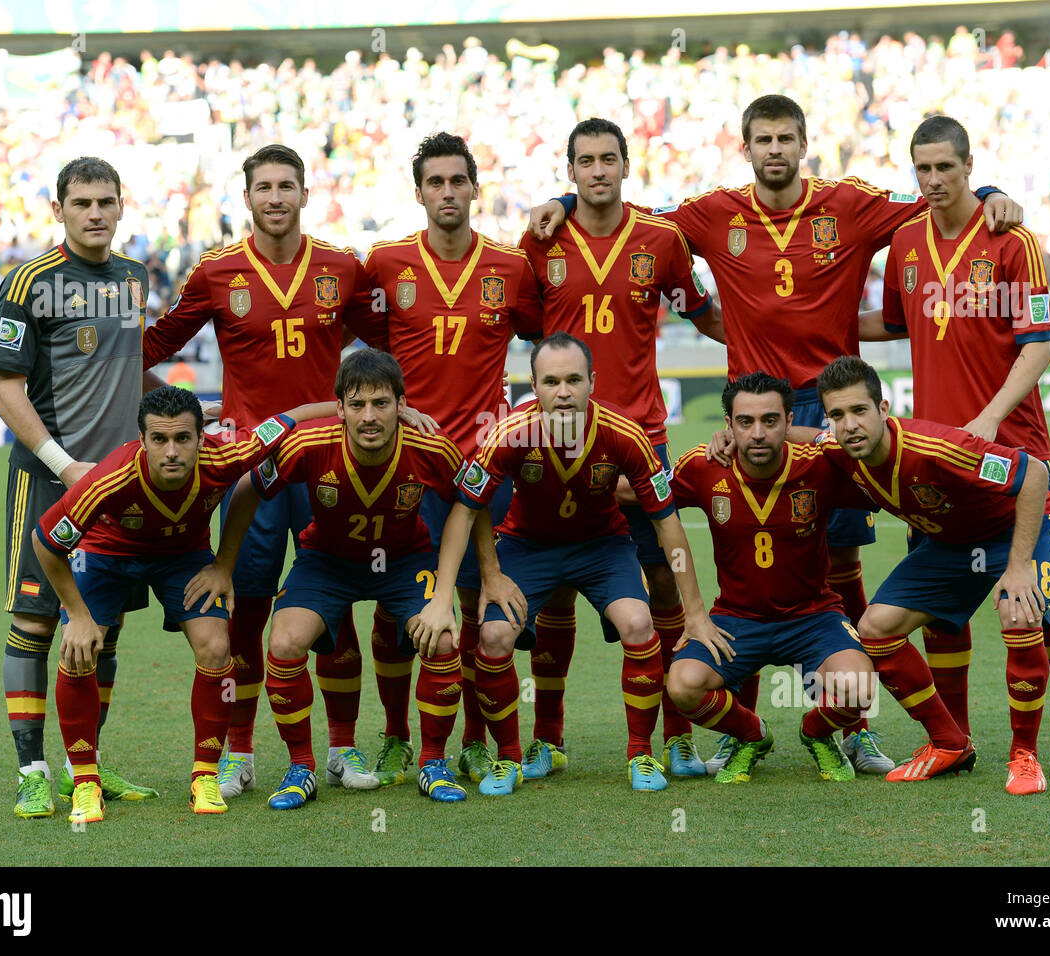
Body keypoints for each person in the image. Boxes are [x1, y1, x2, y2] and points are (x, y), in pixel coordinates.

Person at [532, 95, 1024, 774]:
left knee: (841, 559)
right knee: (745, 558)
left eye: (785, 138)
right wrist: (564, 195)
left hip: (833, 410)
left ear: (803, 144)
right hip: (755, 410)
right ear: (746, 148)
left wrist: (992, 191)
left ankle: (848, 720)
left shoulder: (849, 203)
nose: (774, 149)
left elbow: (936, 198)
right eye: (762, 139)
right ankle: (744, 727)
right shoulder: (714, 213)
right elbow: (622, 212)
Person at [141, 144, 405, 797]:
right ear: (248, 196)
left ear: (304, 194)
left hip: (327, 463)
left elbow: (399, 341)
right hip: (248, 468)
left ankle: (341, 749)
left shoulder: (342, 268)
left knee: (335, 603)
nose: (276, 197)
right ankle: (239, 753)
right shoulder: (215, 271)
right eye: (264, 187)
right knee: (248, 611)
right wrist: (171, 411)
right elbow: (154, 345)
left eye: (287, 185)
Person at [868, 114, 1050, 781]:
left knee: (1041, 598)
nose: (934, 180)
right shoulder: (905, 242)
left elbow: (1039, 343)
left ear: (970, 166)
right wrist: (796, 328)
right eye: (923, 169)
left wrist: (992, 417)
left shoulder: (1010, 238)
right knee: (943, 611)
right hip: (935, 462)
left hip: (1015, 452)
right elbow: (887, 322)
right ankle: (955, 740)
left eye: (945, 167)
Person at [412, 332, 727, 795]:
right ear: (533, 386)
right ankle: (511, 757)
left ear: (592, 382)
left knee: (639, 622)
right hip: (528, 546)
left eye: (574, 379)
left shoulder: (626, 435)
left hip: (604, 547)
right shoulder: (508, 433)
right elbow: (465, 510)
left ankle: (640, 753)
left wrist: (695, 613)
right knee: (495, 634)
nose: (564, 391)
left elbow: (668, 526)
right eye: (552, 381)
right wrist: (462, 589)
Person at [517, 118, 723, 781]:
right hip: (555, 440)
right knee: (552, 589)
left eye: (610, 158)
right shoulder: (541, 237)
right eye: (586, 161)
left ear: (627, 166)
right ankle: (548, 738)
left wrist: (767, 358)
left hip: (640, 437)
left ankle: (679, 736)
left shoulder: (662, 240)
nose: (599, 169)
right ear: (570, 171)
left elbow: (706, 313)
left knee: (660, 576)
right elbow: (515, 324)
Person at [29, 386, 326, 822]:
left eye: (183, 439)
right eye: (159, 440)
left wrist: (224, 564)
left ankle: (205, 774)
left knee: (216, 647)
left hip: (182, 559)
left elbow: (294, 413)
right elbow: (45, 541)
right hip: (107, 555)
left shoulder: (226, 455)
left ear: (202, 437)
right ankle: (85, 782)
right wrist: (77, 615)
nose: (172, 451)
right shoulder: (110, 478)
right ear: (142, 440)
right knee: (77, 651)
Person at [362, 132, 542, 784]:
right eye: (434, 182)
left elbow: (547, 339)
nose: (446, 192)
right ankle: (393, 735)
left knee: (472, 609)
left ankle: (471, 737)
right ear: (419, 193)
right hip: (405, 467)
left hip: (483, 464)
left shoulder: (512, 267)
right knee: (395, 605)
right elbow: (369, 355)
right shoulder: (384, 264)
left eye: (456, 181)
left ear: (473, 189)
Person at [217, 349, 470, 807]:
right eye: (357, 405)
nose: (369, 417)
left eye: (380, 403)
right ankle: (302, 767)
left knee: (444, 638)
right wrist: (222, 563)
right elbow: (249, 485)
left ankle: (433, 761)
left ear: (402, 404)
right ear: (339, 410)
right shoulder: (308, 445)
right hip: (327, 562)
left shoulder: (431, 446)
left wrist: (467, 582)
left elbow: (471, 501)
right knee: (285, 642)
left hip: (404, 562)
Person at [0, 156, 160, 819]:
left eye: (105, 202)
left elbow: (132, 374)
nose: (95, 213)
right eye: (81, 202)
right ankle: (31, 771)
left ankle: (78, 766)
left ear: (122, 207)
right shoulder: (28, 281)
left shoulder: (135, 278)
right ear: (57, 210)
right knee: (35, 621)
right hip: (49, 480)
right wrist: (63, 464)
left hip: (117, 487)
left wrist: (184, 417)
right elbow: (5, 387)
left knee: (104, 628)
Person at [816, 356, 1050, 795]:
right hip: (953, 545)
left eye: (858, 411)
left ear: (883, 409)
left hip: (1018, 529)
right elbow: (799, 439)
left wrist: (1019, 565)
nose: (849, 424)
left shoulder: (938, 448)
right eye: (837, 415)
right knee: (875, 627)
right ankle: (948, 743)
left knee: (1017, 610)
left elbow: (1033, 475)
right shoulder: (837, 448)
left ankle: (1024, 756)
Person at [663, 371, 879, 783]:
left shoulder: (820, 467)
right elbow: (647, 498)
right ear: (727, 426)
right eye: (744, 422)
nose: (757, 433)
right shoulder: (702, 466)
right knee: (684, 685)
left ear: (789, 421)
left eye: (770, 421)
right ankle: (751, 734)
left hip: (813, 617)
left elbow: (874, 465)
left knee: (859, 687)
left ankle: (815, 733)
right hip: (735, 620)